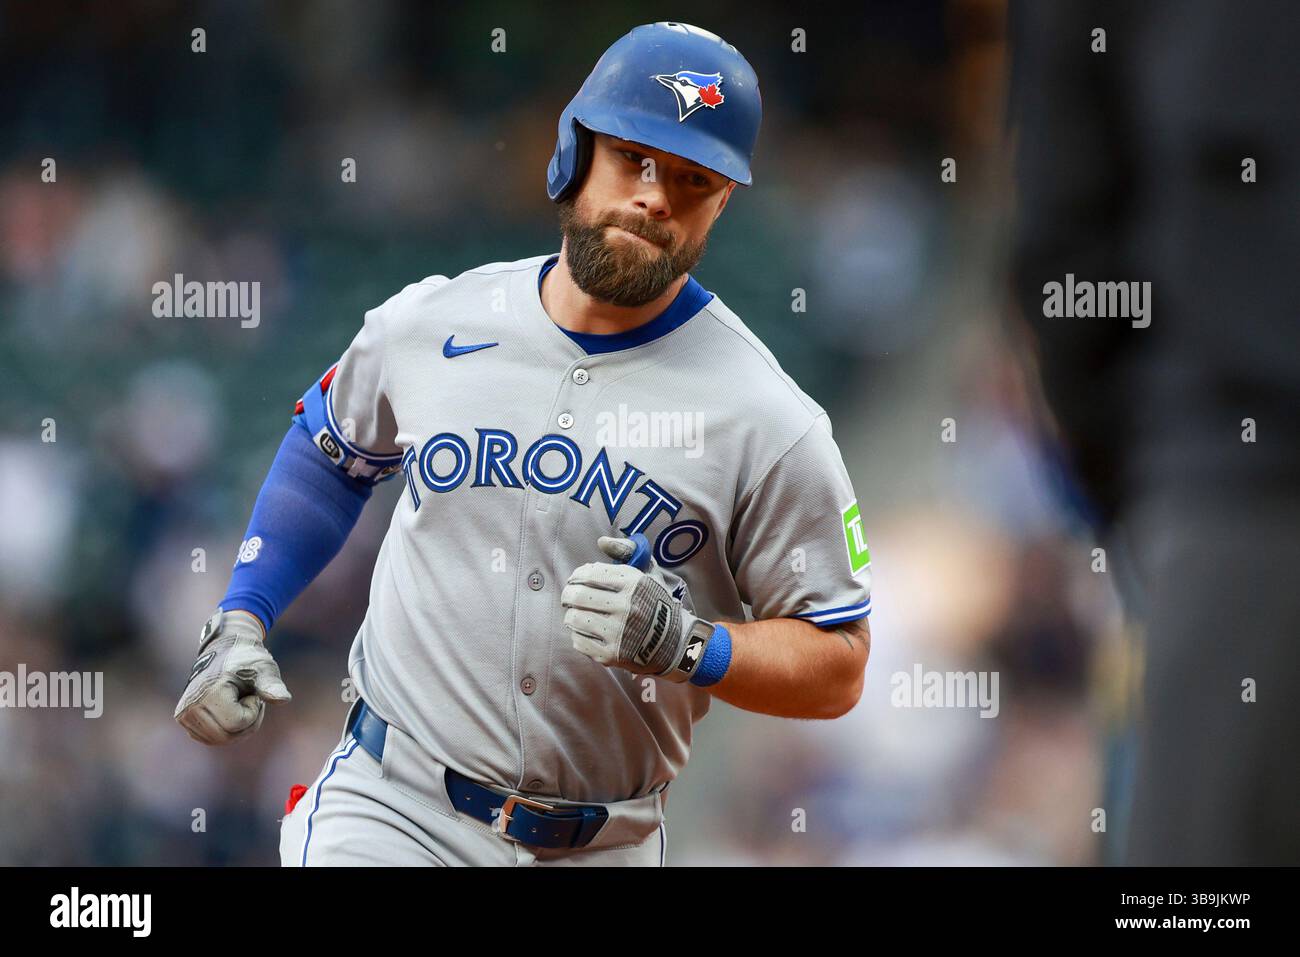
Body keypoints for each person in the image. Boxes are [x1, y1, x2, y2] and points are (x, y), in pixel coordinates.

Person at [174, 21, 872, 867]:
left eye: (693, 180)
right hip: (393, 808)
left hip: (601, 839)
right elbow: (330, 452)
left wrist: (695, 645)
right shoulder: (434, 322)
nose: (656, 197)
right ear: (574, 153)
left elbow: (839, 658)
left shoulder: (770, 418)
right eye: (633, 159)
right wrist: (244, 615)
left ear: (722, 202)